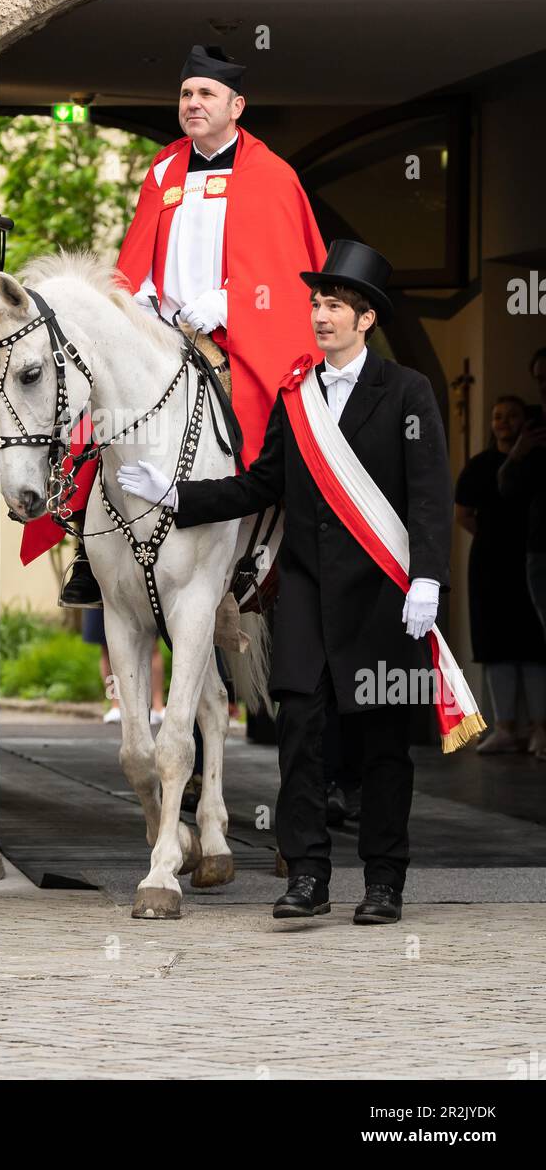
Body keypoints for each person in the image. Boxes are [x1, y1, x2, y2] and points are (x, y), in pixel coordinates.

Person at [117, 239, 473, 925]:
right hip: (306, 597)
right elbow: (261, 485)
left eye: (334, 305)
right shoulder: (296, 395)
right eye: (316, 303)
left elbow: (430, 494)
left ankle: (384, 882)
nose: (320, 315)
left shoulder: (406, 392)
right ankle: (307, 874)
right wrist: (176, 494)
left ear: (366, 319)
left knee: (381, 747)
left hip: (385, 595)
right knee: (299, 737)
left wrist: (428, 577)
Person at [19, 43, 325, 606]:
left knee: (259, 423)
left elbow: (289, 275)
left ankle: (260, 544)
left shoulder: (272, 176)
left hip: (235, 337)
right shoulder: (163, 168)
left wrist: (229, 305)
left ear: (237, 106)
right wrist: (141, 298)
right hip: (162, 331)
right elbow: (138, 254)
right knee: (100, 406)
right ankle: (92, 548)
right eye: (186, 93)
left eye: (206, 94)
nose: (193, 103)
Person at [455, 395, 546, 756]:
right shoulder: (479, 466)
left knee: (535, 646)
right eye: (497, 416)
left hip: (531, 560)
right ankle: (506, 727)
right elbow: (463, 514)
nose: (504, 422)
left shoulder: (537, 462)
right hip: (491, 564)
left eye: (511, 416)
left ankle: (540, 728)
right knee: (495, 646)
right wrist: (495, 539)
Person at [497, 349, 546, 719]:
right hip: (540, 548)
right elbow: (506, 487)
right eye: (540, 378)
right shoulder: (534, 428)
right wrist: (519, 453)